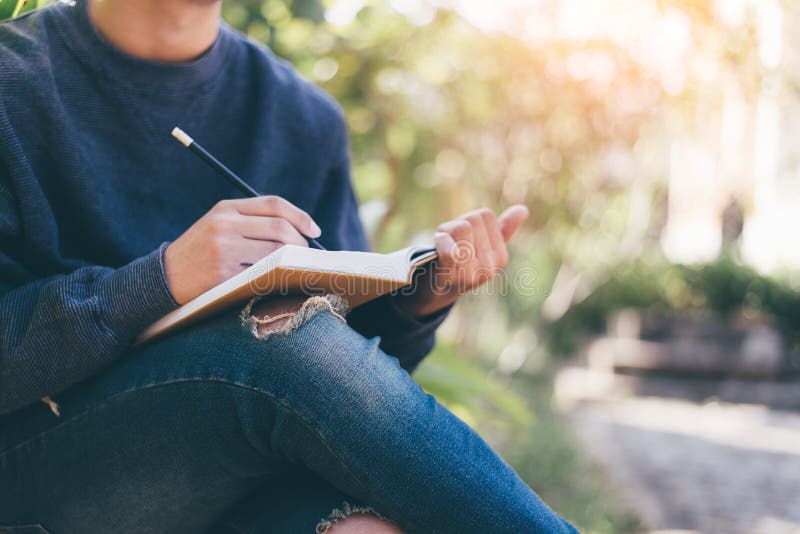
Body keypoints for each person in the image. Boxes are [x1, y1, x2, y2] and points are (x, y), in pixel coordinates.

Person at [0, 1, 578, 532]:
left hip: (236, 476)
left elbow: (342, 395)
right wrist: (162, 279)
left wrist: (420, 300)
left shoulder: (303, 117)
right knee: (280, 334)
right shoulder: (12, 81)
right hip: (42, 464)